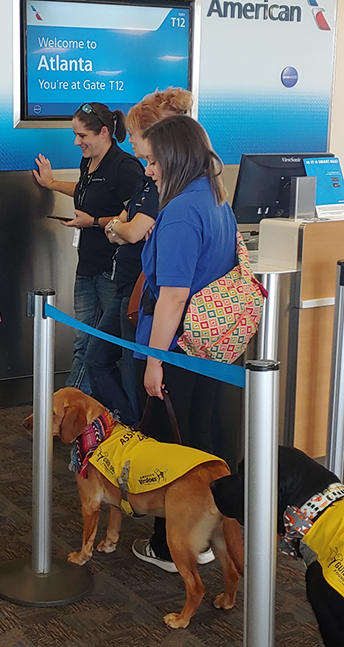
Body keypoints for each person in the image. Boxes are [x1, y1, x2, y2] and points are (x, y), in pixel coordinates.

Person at [130, 115, 237, 572]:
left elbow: (172, 295)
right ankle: (205, 537)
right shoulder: (216, 199)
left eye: (153, 161)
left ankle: (171, 545)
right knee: (201, 439)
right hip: (209, 345)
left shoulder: (178, 213)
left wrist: (155, 362)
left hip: (176, 345)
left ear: (172, 159)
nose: (149, 171)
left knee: (169, 448)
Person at [85, 88, 194, 426]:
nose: (129, 141)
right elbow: (121, 225)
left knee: (134, 374)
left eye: (133, 134)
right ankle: (128, 425)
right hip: (127, 284)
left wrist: (121, 228)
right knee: (99, 359)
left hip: (141, 292)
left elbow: (129, 232)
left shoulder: (170, 187)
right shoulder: (148, 179)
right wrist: (120, 226)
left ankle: (133, 431)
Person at [33, 102, 146, 394]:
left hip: (112, 269)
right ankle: (75, 409)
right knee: (84, 341)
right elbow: (85, 188)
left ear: (104, 132)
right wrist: (52, 183)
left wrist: (94, 221)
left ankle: (79, 406)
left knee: (105, 347)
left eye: (82, 135)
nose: (76, 142)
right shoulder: (90, 162)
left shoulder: (125, 167)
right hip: (88, 265)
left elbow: (137, 218)